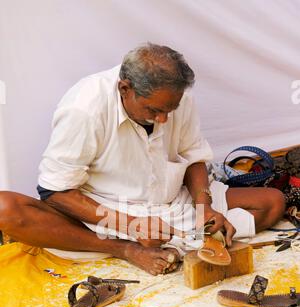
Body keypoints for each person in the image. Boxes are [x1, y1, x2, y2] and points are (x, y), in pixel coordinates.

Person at [0, 43, 285, 275]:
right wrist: (130, 226)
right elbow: (54, 192)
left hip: (172, 206)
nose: (163, 119)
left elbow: (193, 156)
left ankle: (175, 246)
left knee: (272, 202)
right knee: (5, 209)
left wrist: (204, 207)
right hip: (105, 212)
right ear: (125, 89)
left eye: (169, 110)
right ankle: (125, 249)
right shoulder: (84, 109)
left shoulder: (176, 100)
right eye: (154, 110)